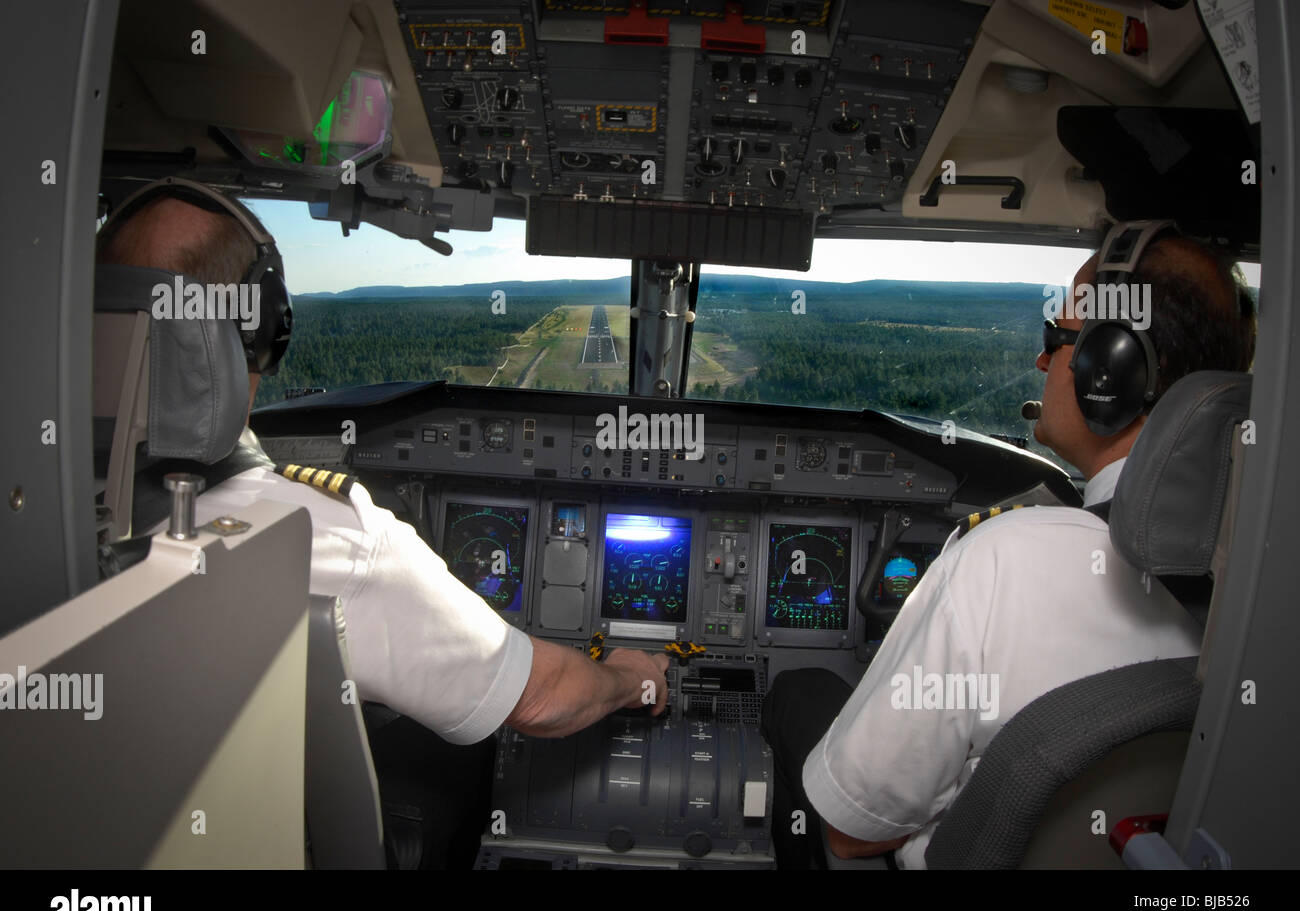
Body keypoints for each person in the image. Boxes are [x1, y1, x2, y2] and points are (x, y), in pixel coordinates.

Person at [96, 184, 670, 867]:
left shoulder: (34, 513)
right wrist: (630, 678)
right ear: (257, 333)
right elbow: (542, 698)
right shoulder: (328, 538)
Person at [760, 226, 1257, 869]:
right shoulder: (1268, 581)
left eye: (1060, 339)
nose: (1045, 362)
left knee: (798, 690)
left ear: (1114, 370)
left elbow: (854, 833)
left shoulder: (1006, 562)